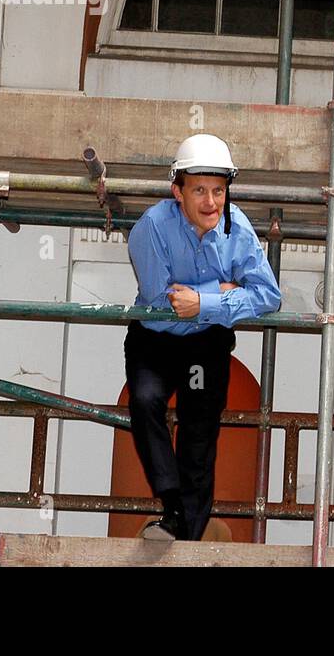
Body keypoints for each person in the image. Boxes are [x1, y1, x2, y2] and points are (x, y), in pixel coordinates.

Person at [125, 133, 282, 540]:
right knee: (144, 402)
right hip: (155, 342)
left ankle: (186, 533)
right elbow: (165, 301)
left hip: (203, 345)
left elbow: (268, 295)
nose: (211, 202)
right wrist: (224, 290)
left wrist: (204, 301)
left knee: (199, 427)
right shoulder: (151, 227)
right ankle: (172, 503)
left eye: (218, 191)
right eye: (199, 190)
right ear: (177, 191)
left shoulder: (238, 227)